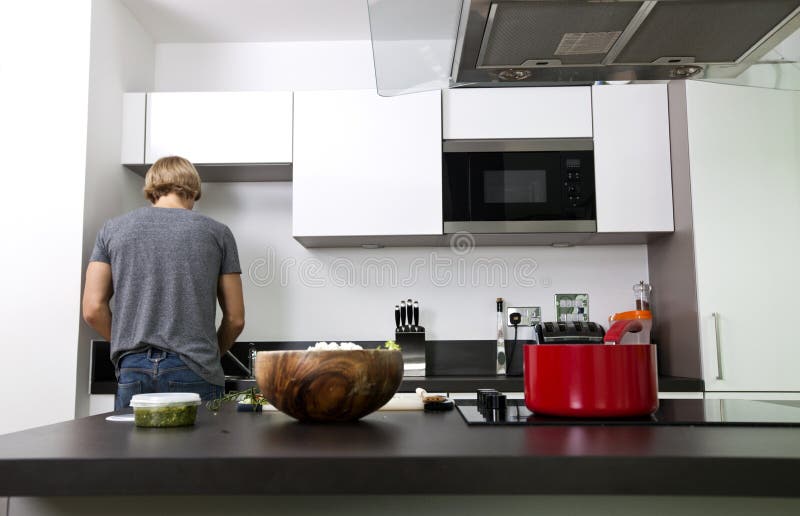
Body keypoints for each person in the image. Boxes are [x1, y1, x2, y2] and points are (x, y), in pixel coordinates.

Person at [82, 156, 245, 410]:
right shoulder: (218, 233)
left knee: (135, 448)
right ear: (193, 190)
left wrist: (128, 343)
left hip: (132, 369)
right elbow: (235, 319)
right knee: (196, 450)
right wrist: (210, 356)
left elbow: (92, 309)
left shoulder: (112, 230)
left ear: (152, 189)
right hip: (195, 367)